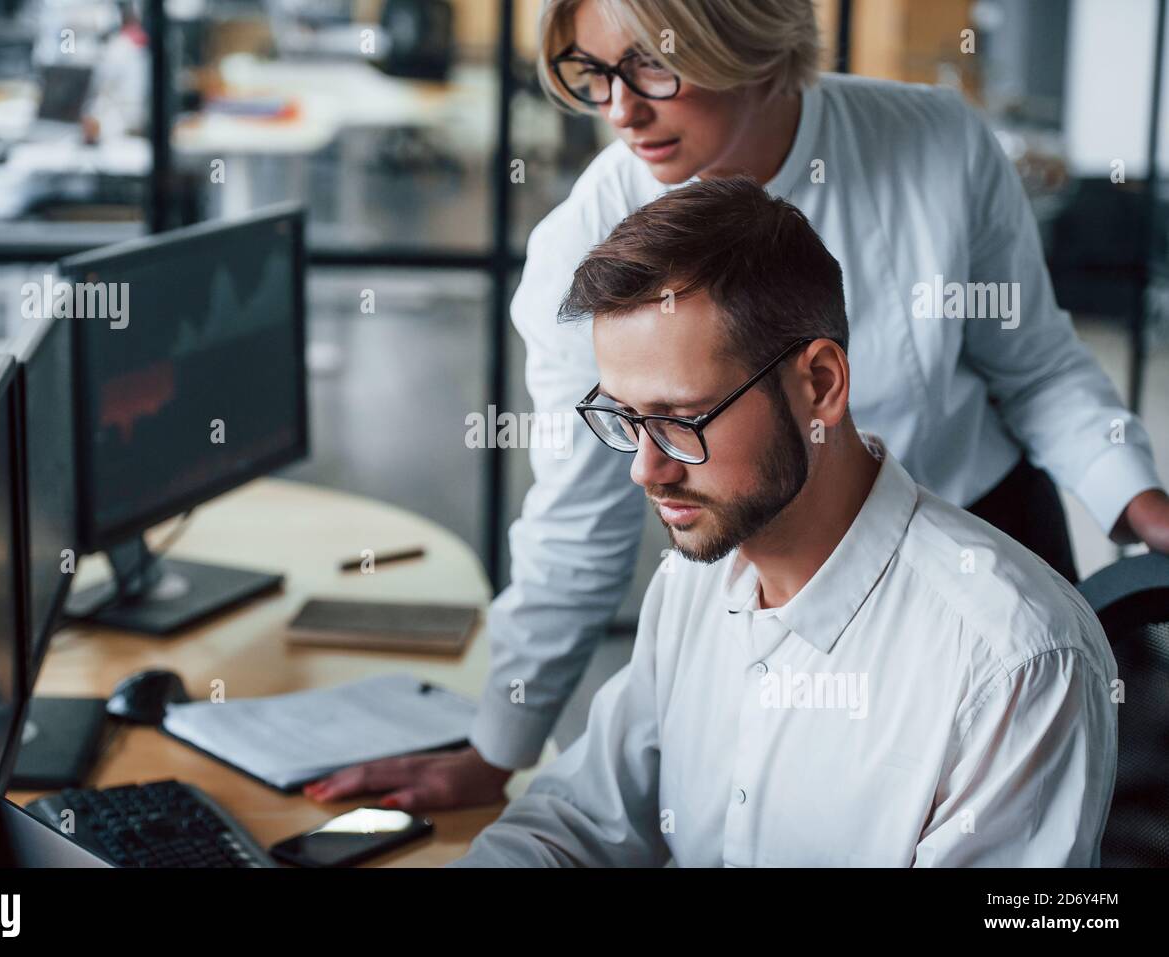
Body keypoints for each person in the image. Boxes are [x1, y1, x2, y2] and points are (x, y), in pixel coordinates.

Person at [304, 0, 1165, 812]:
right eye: (593, 72)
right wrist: (498, 749)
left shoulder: (937, 142)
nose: (619, 111)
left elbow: (1037, 364)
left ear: (751, 40)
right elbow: (579, 520)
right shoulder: (586, 242)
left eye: (650, 67)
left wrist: (1142, 502)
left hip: (987, 532)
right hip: (789, 579)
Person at [454, 178, 1118, 866]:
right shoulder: (693, 581)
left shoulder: (1015, 660)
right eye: (624, 418)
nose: (645, 470)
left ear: (821, 385)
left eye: (681, 420)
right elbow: (583, 817)